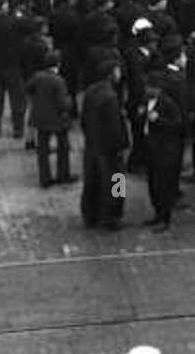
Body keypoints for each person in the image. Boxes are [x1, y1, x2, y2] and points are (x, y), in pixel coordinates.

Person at [80, 58, 127, 230]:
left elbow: (83, 119)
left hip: (93, 144)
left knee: (92, 180)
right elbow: (115, 126)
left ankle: (90, 215)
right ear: (110, 74)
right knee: (117, 181)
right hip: (110, 149)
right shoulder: (110, 97)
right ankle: (112, 216)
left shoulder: (90, 92)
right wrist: (120, 145)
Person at [142, 72, 184, 233]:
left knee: (162, 186)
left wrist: (158, 120)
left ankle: (164, 218)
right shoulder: (146, 101)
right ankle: (157, 213)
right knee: (153, 184)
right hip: (151, 148)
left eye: (150, 87)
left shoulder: (168, 104)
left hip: (164, 151)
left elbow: (176, 125)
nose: (146, 90)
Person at [26, 50, 74, 189]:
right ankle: (63, 175)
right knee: (63, 147)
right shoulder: (58, 80)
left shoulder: (37, 76)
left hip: (40, 118)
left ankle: (45, 179)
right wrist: (69, 103)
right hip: (57, 119)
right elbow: (62, 103)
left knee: (42, 150)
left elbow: (28, 88)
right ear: (58, 63)